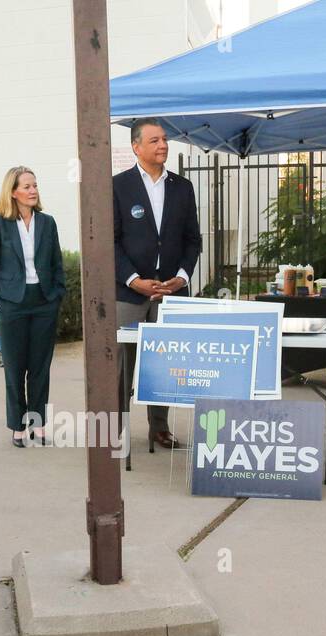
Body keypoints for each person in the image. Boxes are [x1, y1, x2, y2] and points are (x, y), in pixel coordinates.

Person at [113, 118, 202, 450]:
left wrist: (182, 277)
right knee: (122, 364)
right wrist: (134, 280)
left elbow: (193, 240)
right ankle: (115, 429)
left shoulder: (182, 187)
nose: (163, 145)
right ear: (136, 147)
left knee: (164, 365)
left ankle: (160, 428)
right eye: (154, 140)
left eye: (164, 139)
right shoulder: (117, 186)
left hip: (171, 293)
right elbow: (110, 241)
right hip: (129, 293)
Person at [0, 167, 65, 447]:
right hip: (11, 305)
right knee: (15, 368)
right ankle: (17, 426)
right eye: (27, 186)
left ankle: (38, 424)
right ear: (13, 191)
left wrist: (57, 295)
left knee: (40, 368)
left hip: (44, 302)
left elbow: (56, 263)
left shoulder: (47, 223)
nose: (33, 191)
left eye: (35, 185)